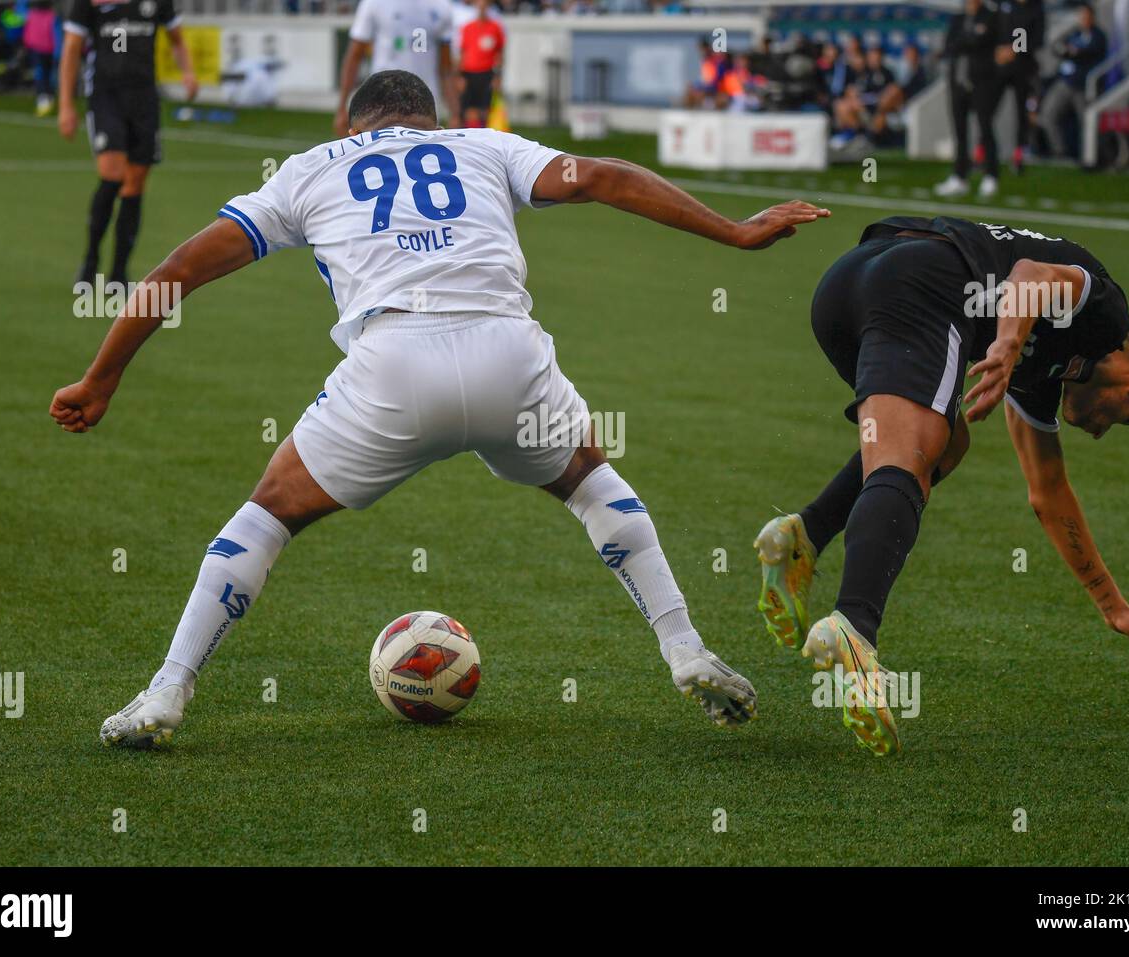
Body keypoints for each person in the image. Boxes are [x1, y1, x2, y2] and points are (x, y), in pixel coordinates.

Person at [50, 69, 831, 748]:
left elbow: (179, 267)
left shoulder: (308, 168)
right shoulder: (485, 144)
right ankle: (687, 649)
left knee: (265, 516)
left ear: (351, 125)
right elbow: (597, 175)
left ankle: (168, 689)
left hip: (394, 370)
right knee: (592, 481)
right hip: (509, 355)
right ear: (435, 116)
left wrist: (101, 378)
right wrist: (735, 232)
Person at [754, 215, 1129, 755]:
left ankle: (804, 537)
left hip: (847, 287)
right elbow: (1030, 275)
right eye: (1125, 417)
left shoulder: (1049, 374)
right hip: (924, 286)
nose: (1101, 431)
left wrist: (1113, 606)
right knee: (909, 458)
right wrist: (1008, 345)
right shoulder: (1107, 316)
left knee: (944, 442)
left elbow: (1049, 493)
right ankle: (854, 626)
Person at [58, 0, 198, 288]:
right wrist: (66, 105)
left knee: (134, 185)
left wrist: (188, 72)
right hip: (106, 96)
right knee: (112, 176)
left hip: (144, 99)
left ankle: (119, 274)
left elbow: (177, 39)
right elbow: (72, 48)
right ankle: (91, 259)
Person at [333, 0, 455, 137]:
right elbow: (355, 55)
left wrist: (455, 112)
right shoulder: (373, 3)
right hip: (380, 107)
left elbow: (446, 67)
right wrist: (342, 106)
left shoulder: (442, 6)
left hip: (424, 107)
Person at [935, 0, 1002, 199]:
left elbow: (982, 42)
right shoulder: (958, 18)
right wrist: (969, 39)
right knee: (960, 132)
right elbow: (950, 46)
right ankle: (959, 176)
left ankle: (991, 175)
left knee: (985, 128)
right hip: (958, 82)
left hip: (982, 82)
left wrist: (967, 41)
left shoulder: (991, 15)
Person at [1037, 2, 1108, 160]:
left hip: (1083, 86)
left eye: (1086, 16)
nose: (1084, 20)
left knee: (1087, 123)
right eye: (1081, 16)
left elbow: (1085, 53)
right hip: (1066, 82)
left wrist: (1073, 52)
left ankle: (1093, 155)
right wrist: (1071, 52)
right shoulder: (1075, 34)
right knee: (1048, 115)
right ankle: (1059, 151)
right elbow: (1059, 49)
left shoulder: (1098, 36)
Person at [992, 0, 1046, 173]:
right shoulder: (1005, 5)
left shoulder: (1035, 9)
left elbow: (1036, 40)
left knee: (1021, 114)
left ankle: (1018, 154)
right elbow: (995, 30)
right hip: (1001, 66)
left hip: (1023, 68)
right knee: (988, 108)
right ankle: (983, 151)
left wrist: (1014, 49)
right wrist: (997, 50)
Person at [456, 0, 504, 127]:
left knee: (484, 109)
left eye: (484, 5)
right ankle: (467, 135)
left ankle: (483, 136)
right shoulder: (467, 27)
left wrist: (497, 76)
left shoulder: (495, 28)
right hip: (469, 73)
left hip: (486, 73)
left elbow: (499, 54)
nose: (481, 9)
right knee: (467, 109)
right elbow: (462, 53)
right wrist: (460, 76)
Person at [23, 0, 57, 117]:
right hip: (44, 49)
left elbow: (28, 34)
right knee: (44, 73)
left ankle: (45, 97)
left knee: (43, 73)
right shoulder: (49, 16)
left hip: (42, 49)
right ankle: (45, 98)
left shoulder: (35, 15)